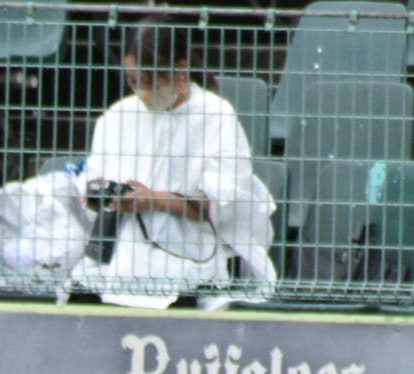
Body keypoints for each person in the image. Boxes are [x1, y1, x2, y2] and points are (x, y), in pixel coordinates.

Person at [69, 14, 276, 309]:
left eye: (149, 82)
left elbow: (221, 208)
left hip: (190, 256)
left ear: (180, 72)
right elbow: (90, 187)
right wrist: (100, 196)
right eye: (132, 81)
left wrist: (153, 199)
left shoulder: (216, 116)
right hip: (121, 259)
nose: (140, 92)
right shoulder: (117, 117)